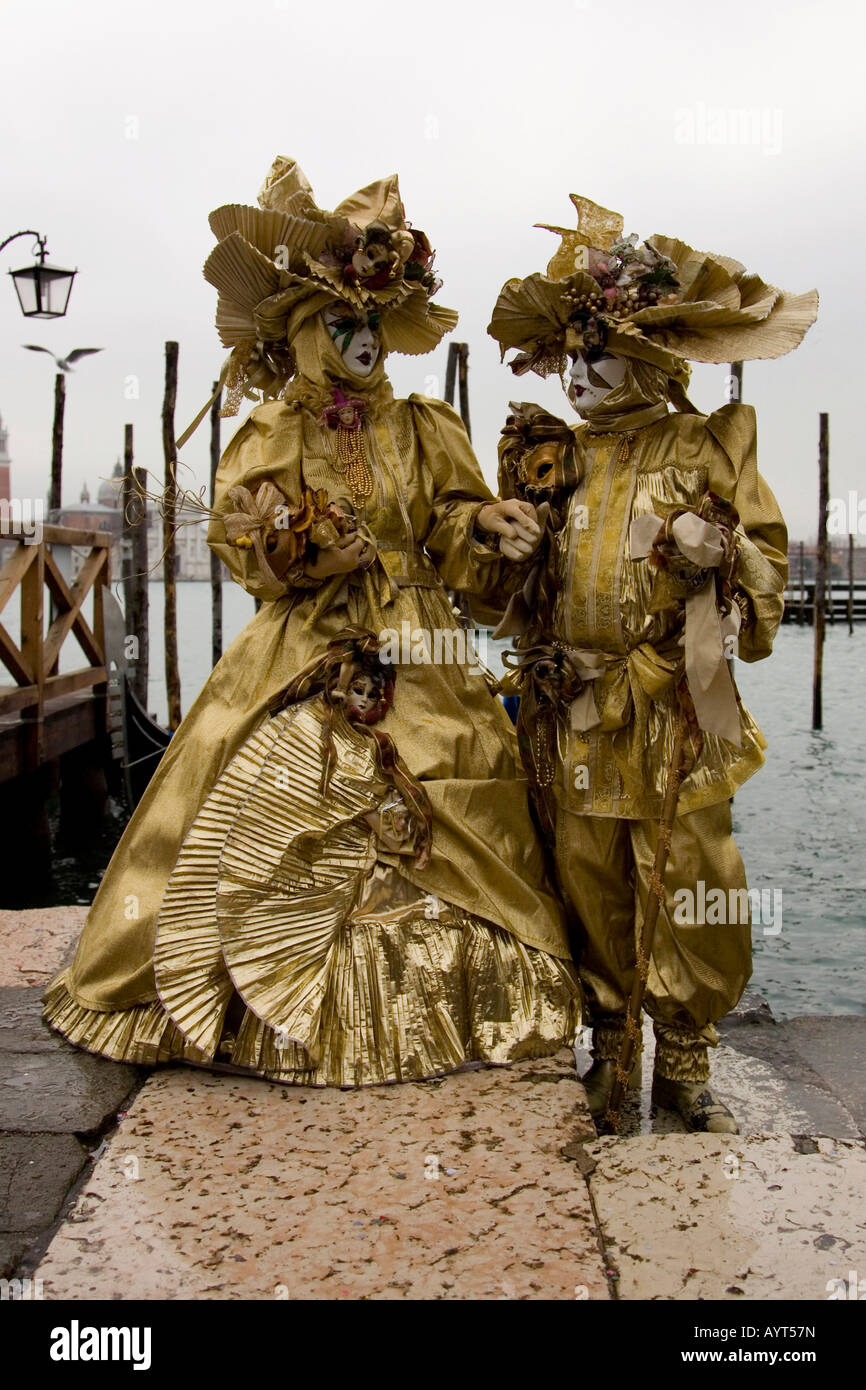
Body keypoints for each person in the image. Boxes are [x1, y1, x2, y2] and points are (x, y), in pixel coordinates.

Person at [43, 157, 580, 1087]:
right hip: (308, 641)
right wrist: (293, 550)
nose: (363, 339)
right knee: (263, 781)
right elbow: (244, 545)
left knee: (457, 774)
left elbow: (449, 530)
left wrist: (483, 524)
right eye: (342, 322)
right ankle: (244, 995)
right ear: (299, 333)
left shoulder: (423, 424)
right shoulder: (272, 432)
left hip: (422, 641)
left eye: (370, 321)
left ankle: (457, 995)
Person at [487, 193, 817, 1132]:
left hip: (674, 704)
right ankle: (610, 1049)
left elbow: (766, 575)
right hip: (571, 702)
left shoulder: (704, 443)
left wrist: (725, 556)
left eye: (600, 354)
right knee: (586, 872)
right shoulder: (551, 460)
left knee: (688, 877)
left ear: (647, 353)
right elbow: (496, 590)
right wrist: (502, 547)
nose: (581, 375)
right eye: (572, 357)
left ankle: (683, 1060)